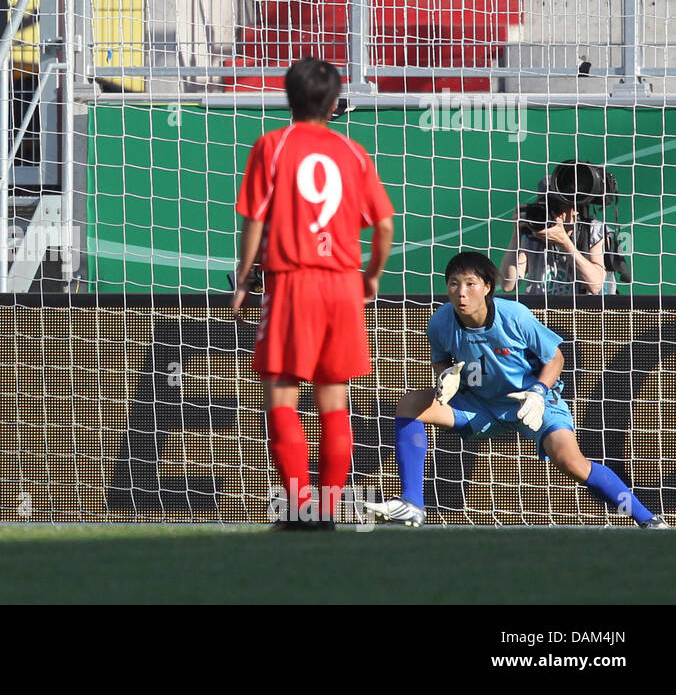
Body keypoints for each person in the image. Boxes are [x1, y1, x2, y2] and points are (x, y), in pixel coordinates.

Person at [365, 251, 667, 528]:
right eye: (454, 284)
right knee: (410, 404)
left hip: (534, 403)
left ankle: (648, 520)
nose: (461, 292)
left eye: (470, 283)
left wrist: (537, 392)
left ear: (487, 287)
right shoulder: (440, 322)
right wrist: (447, 378)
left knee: (571, 463)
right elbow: (442, 361)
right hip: (480, 407)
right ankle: (412, 504)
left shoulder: (515, 316)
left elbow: (556, 357)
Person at [231, 57, 396, 530]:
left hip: (292, 282)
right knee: (333, 399)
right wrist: (371, 275)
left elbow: (255, 220)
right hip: (343, 284)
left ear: (289, 96)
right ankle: (327, 509)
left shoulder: (273, 146)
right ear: (334, 101)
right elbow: (384, 225)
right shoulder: (354, 152)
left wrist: (244, 279)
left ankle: (297, 507)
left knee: (282, 397)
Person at [499, 160, 625, 295]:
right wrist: (516, 235)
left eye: (557, 207)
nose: (552, 214)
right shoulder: (535, 233)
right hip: (542, 312)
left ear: (575, 209)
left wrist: (564, 242)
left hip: (587, 313)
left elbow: (594, 285)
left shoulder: (593, 230)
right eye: (546, 206)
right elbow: (508, 284)